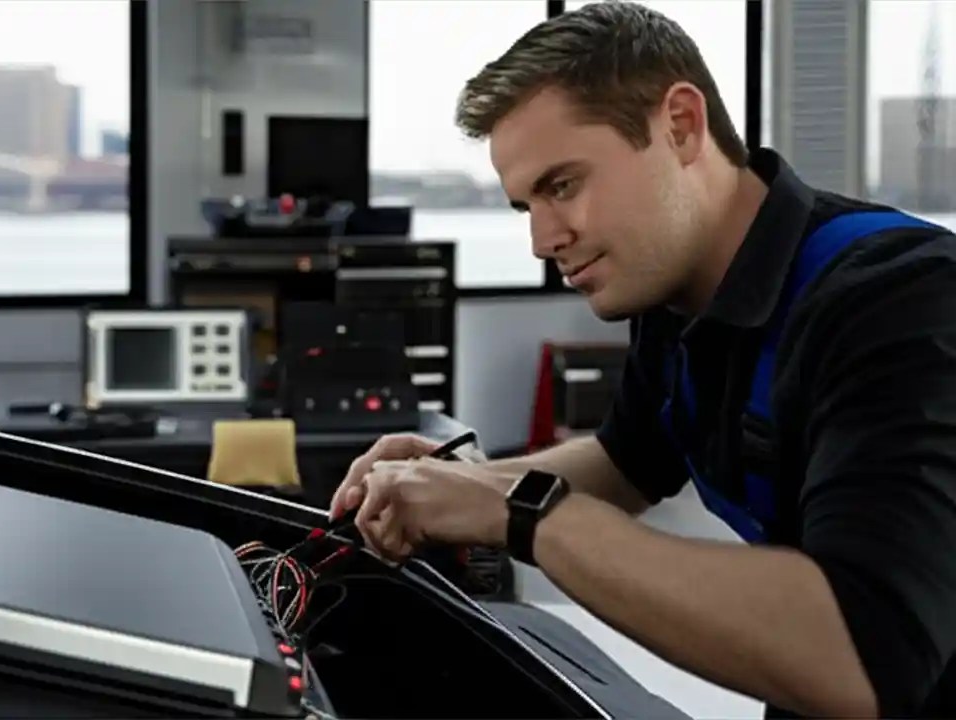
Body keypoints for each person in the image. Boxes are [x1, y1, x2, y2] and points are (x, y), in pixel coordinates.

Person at [327, 2, 956, 717]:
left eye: (562, 186)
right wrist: (455, 479)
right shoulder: (671, 293)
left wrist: (520, 512)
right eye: (525, 205)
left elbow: (864, 656)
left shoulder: (903, 303)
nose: (542, 240)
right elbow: (625, 464)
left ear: (681, 126)